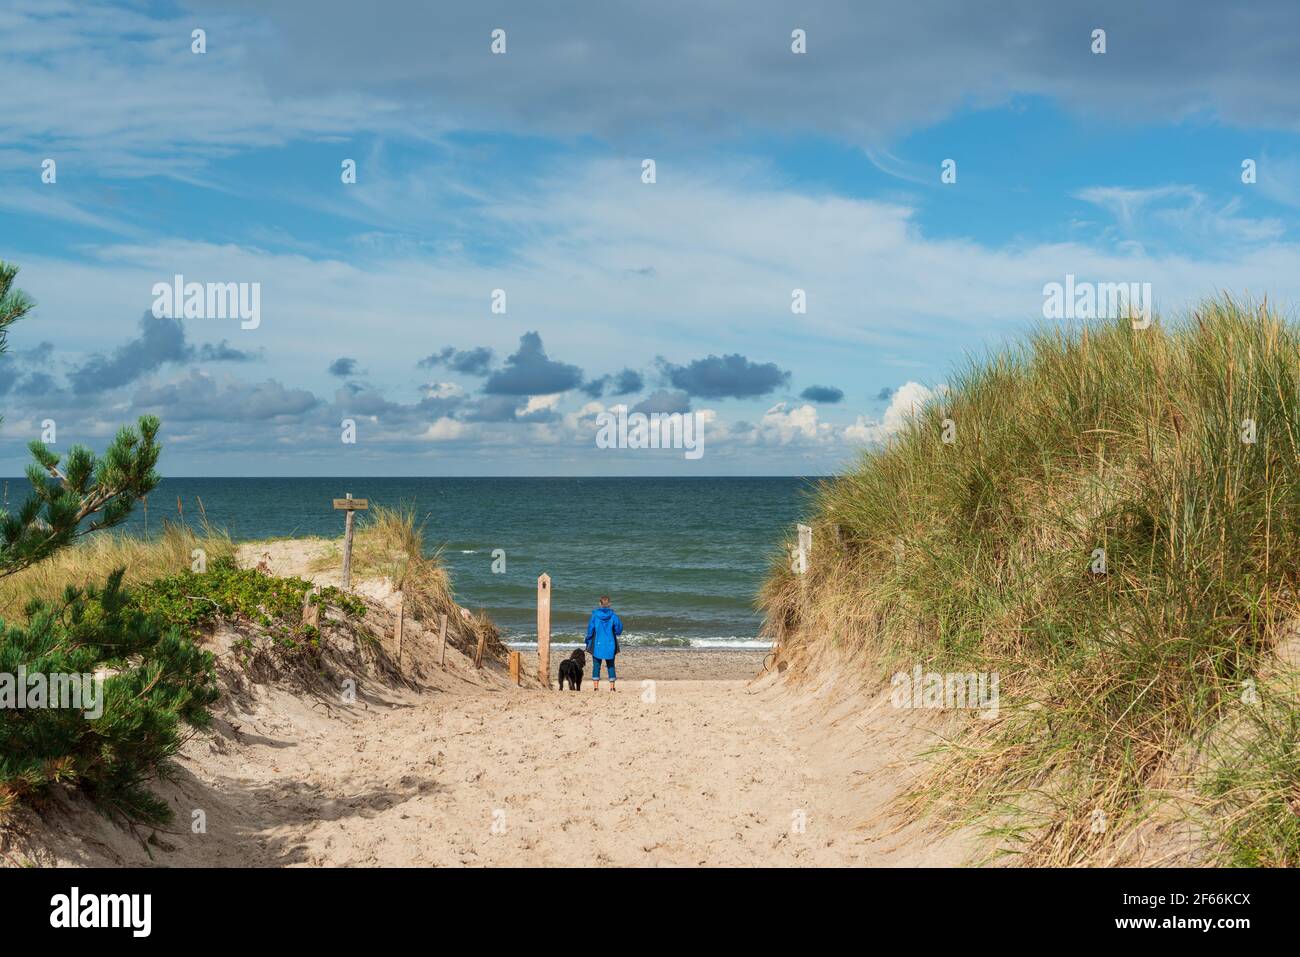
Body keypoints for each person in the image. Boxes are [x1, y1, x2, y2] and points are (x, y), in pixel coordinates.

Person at [585, 595, 623, 691]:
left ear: (600, 604)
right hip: (610, 642)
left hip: (597, 642)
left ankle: (596, 687)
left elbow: (590, 629)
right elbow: (619, 629)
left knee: (596, 665)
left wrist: (587, 639)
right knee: (610, 665)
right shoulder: (613, 616)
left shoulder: (595, 615)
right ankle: (612, 687)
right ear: (609, 604)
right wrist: (615, 632)